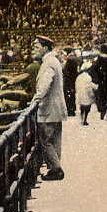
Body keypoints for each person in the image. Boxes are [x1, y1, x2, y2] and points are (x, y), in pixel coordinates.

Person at [29, 35, 67, 181]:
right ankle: (54, 169)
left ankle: (56, 169)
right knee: (55, 140)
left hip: (49, 109)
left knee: (46, 140)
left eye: (36, 47)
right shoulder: (53, 60)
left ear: (45, 48)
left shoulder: (48, 62)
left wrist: (35, 100)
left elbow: (44, 85)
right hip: (56, 108)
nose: (34, 49)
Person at [90, 44, 107, 120]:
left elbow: (92, 71)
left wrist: (96, 80)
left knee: (100, 97)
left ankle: (101, 110)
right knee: (106, 98)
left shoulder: (98, 61)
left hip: (100, 83)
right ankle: (103, 111)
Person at [75, 60, 98, 126]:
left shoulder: (79, 76)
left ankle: (82, 118)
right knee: (87, 108)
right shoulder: (88, 77)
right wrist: (95, 88)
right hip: (87, 95)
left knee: (82, 107)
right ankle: (85, 120)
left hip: (80, 94)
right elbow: (90, 86)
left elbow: (76, 85)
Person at [62, 47, 79, 117]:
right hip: (72, 81)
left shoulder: (70, 60)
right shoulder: (73, 59)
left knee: (69, 95)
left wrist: (63, 71)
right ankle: (71, 109)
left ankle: (70, 110)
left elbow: (68, 72)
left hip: (69, 81)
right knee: (71, 95)